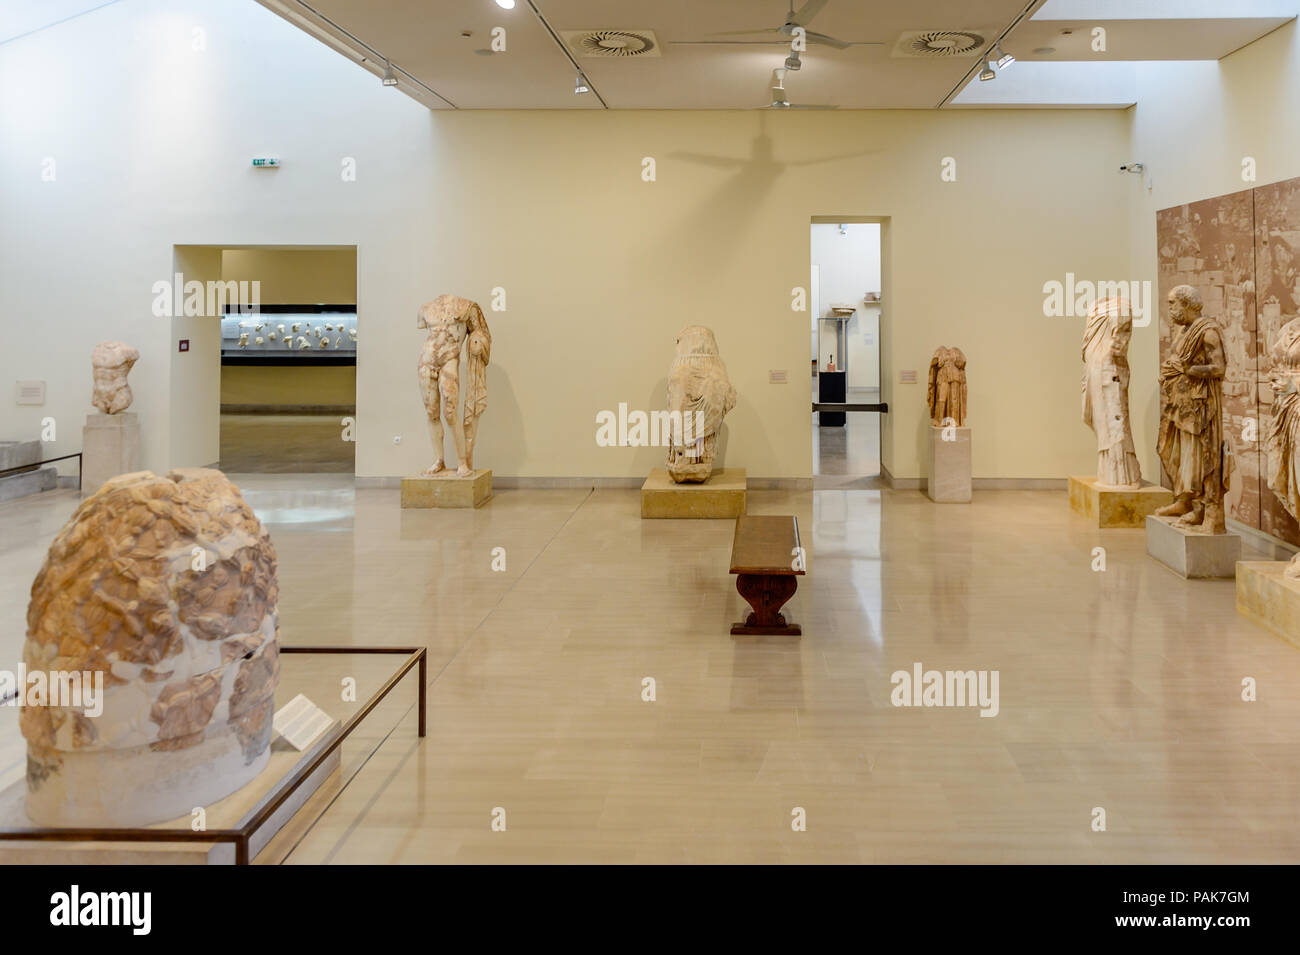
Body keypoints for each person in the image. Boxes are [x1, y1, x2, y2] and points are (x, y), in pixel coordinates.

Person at [1154, 285, 1229, 532]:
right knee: (1177, 451)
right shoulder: (1184, 330)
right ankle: (1190, 504)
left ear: (1187, 304)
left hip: (1202, 406)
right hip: (1182, 405)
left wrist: (1188, 371)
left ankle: (1211, 516)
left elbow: (1218, 368)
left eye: (1173, 303)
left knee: (1203, 457)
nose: (1171, 308)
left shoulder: (1207, 332)